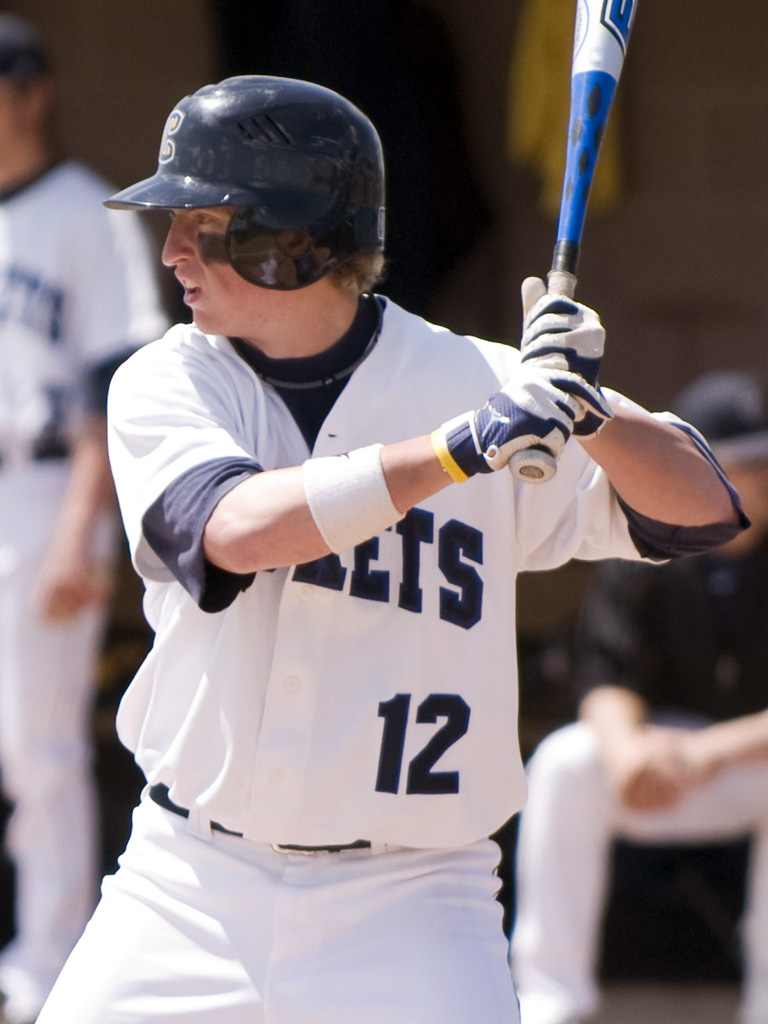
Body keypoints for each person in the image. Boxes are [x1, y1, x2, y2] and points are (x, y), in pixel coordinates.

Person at [34, 75, 744, 1024]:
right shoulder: (168, 379)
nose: (169, 252)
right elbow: (236, 529)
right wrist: (462, 447)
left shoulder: (479, 380)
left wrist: (590, 405)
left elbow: (703, 511)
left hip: (414, 903)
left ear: (290, 239)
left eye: (200, 223)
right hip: (187, 882)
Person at [0, 15, 168, 1024]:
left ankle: (45, 966)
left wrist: (80, 528)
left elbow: (118, 383)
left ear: (31, 91)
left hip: (46, 485)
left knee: (39, 744)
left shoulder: (83, 213)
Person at [510, 372, 768, 1024]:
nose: (758, 476)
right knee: (567, 763)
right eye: (743, 460)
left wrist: (714, 750)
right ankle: (550, 1004)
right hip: (667, 752)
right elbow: (606, 672)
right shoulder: (652, 537)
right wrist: (626, 755)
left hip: (749, 757)